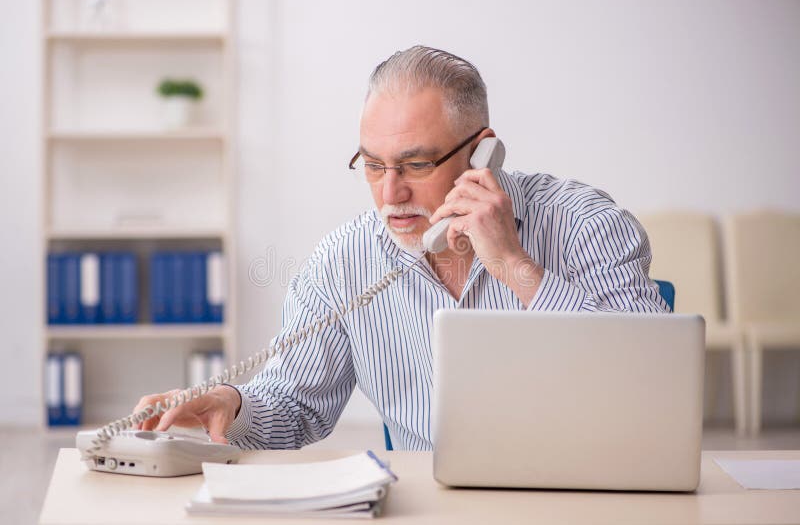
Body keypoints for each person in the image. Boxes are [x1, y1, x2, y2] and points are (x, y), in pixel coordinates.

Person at [134, 46, 668, 450]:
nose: (391, 194)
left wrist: (514, 266)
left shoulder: (586, 225)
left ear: (483, 153)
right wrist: (233, 402)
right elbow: (295, 405)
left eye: (416, 165)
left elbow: (653, 385)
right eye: (372, 165)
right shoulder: (344, 263)